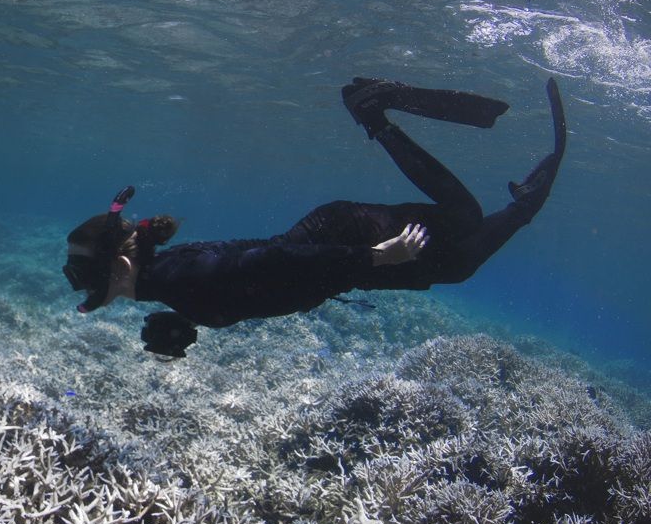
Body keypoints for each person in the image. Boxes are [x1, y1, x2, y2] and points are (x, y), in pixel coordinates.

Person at [63, 77, 567, 357]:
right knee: (459, 249)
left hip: (338, 244)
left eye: (87, 277)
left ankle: (375, 115)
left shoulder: (178, 276)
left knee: (461, 236)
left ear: (121, 267)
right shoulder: (165, 280)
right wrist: (181, 324)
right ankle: (519, 201)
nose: (84, 287)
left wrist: (373, 258)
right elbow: (237, 280)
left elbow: (273, 261)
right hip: (331, 245)